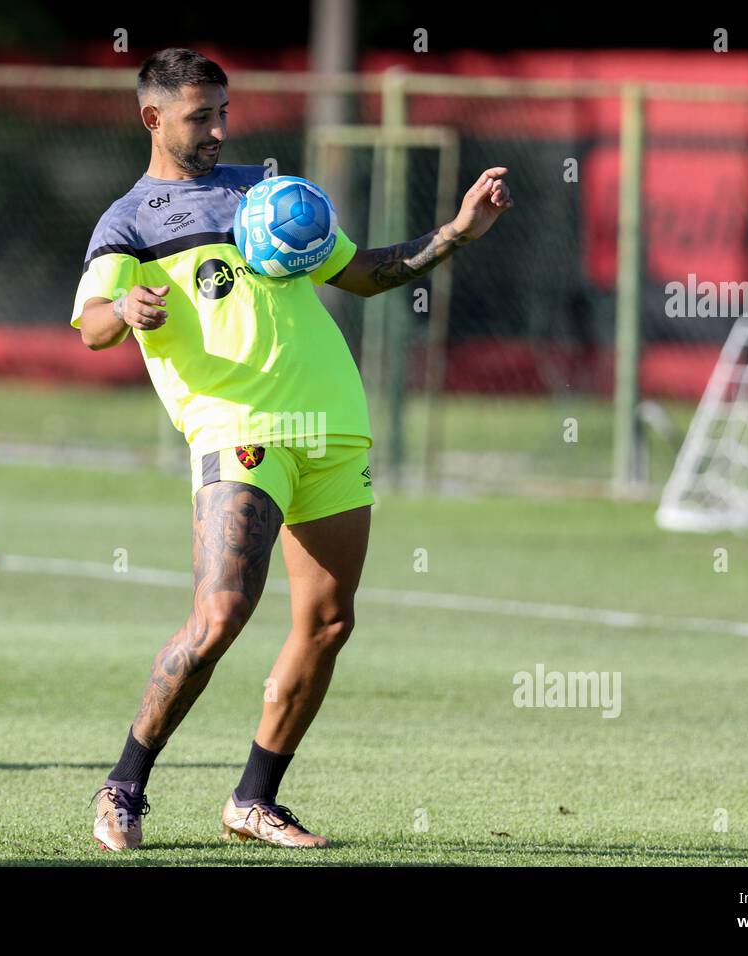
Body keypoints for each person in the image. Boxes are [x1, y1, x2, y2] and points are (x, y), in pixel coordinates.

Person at [72, 47, 512, 850]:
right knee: (222, 613)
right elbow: (92, 323)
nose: (216, 128)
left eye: (222, 112)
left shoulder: (264, 193)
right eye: (199, 115)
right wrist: (126, 309)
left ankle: (253, 800)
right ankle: (124, 785)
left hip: (332, 424)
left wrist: (457, 232)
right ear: (153, 119)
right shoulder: (128, 220)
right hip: (236, 428)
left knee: (329, 620)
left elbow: (367, 273)